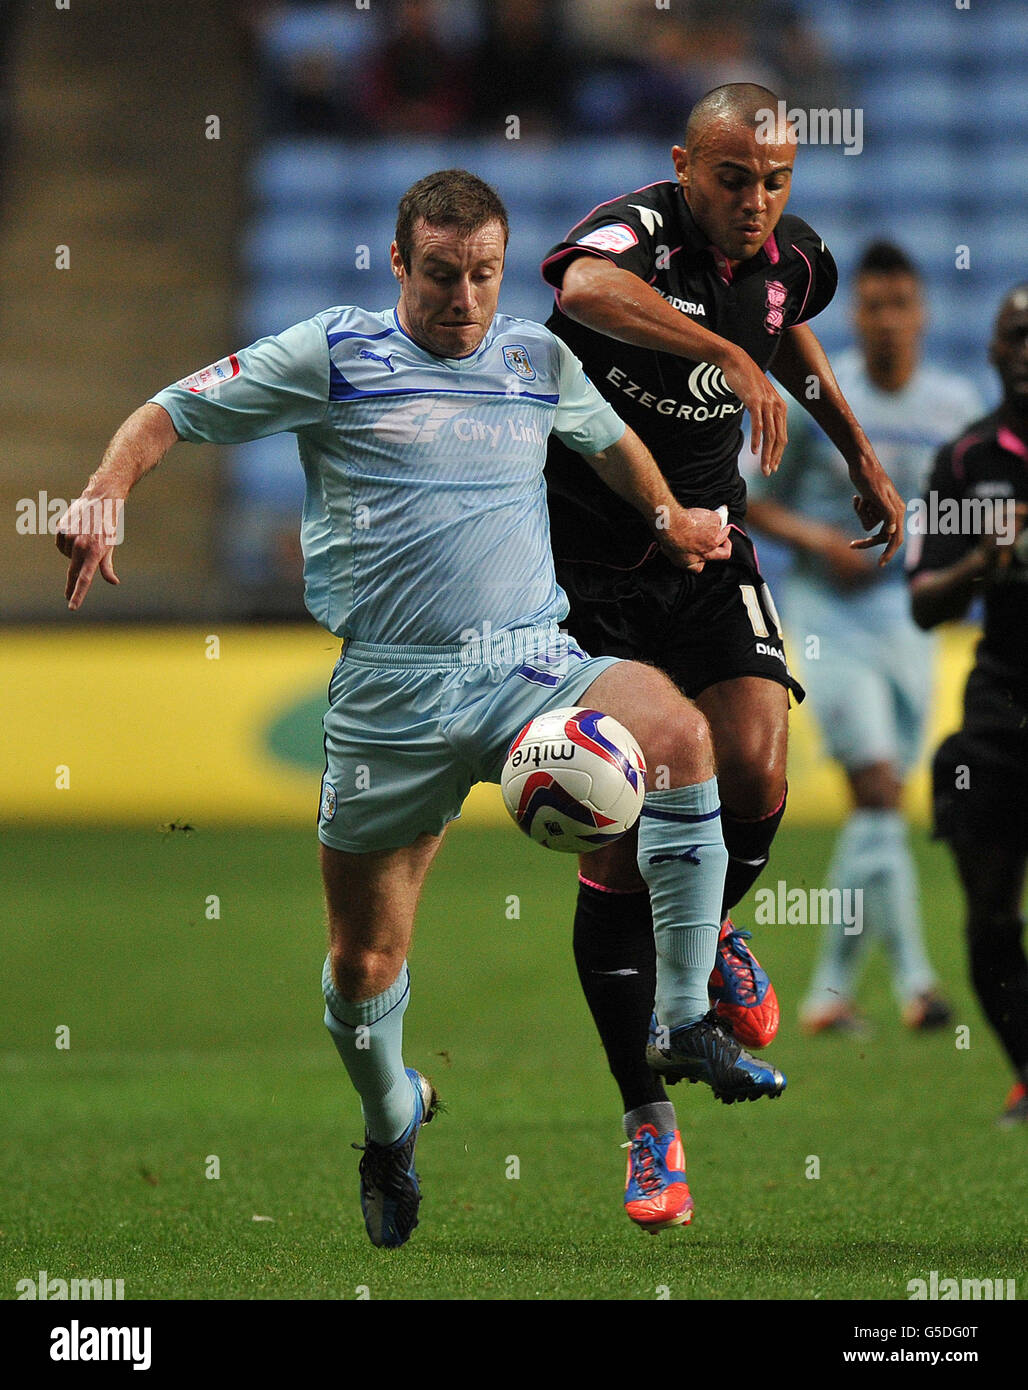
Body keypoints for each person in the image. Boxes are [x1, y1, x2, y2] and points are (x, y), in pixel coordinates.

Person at [55, 169, 787, 1248]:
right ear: (398, 264)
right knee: (362, 967)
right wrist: (105, 487)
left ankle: (681, 1018)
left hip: (527, 664)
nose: (464, 298)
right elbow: (172, 411)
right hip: (388, 696)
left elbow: (602, 439)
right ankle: (393, 1115)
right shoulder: (334, 354)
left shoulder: (536, 358)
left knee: (680, 735)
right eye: (441, 274)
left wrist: (671, 514)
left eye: (484, 274)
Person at [540, 83, 905, 1223]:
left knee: (756, 767)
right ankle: (649, 1128)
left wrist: (855, 449)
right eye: (733, 178)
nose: (756, 204)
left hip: (708, 550)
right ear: (683, 167)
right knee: (624, 826)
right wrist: (724, 358)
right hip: (586, 572)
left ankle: (709, 929)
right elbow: (582, 288)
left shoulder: (791, 256)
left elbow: (786, 328)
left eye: (776, 181)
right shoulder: (636, 232)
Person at [747, 242, 983, 1034]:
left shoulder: (952, 408)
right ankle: (918, 984)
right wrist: (815, 542)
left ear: (921, 314)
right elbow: (749, 499)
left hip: (905, 620)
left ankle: (827, 997)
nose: (886, 319)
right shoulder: (823, 395)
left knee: (874, 813)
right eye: (872, 304)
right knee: (878, 788)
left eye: (899, 304)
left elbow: (967, 512)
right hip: (825, 616)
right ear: (855, 315)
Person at [908, 282, 1028, 1127]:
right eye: (1017, 335)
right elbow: (924, 601)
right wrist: (982, 560)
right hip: (1003, 709)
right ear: (992, 351)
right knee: (990, 921)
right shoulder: (963, 462)